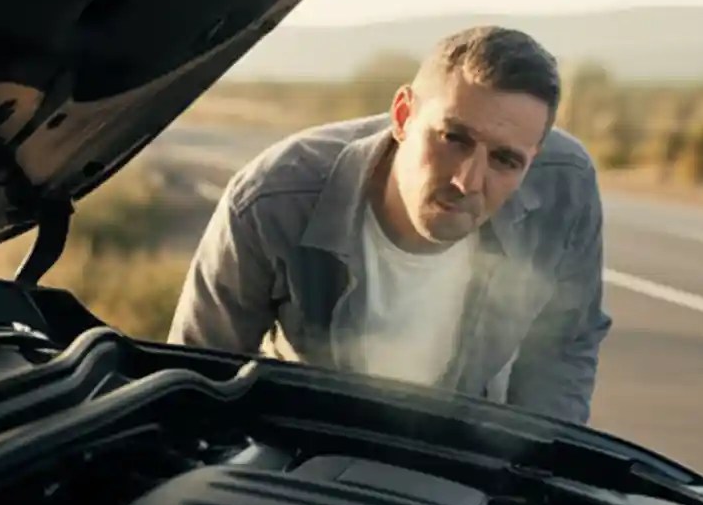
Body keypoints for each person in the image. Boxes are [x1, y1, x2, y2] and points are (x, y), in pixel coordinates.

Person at [167, 25, 612, 424]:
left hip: (463, 458)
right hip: (299, 449)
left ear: (532, 160)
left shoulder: (565, 187)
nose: (467, 181)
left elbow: (564, 346)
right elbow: (199, 379)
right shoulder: (272, 200)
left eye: (505, 160)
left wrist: (527, 477)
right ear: (403, 116)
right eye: (454, 139)